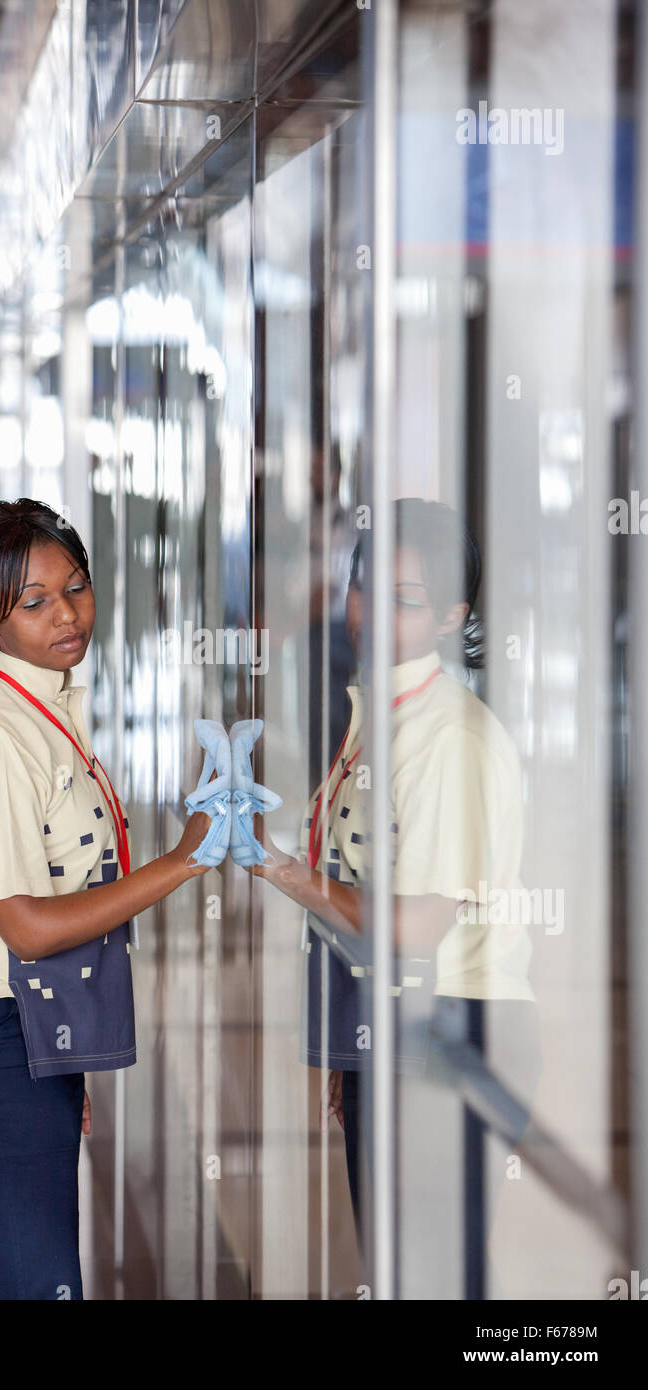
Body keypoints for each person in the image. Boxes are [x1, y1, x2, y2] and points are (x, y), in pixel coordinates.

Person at [0, 498, 210, 1300]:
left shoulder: (48, 712)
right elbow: (30, 929)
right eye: (34, 602)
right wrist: (181, 861)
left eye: (76, 587)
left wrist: (59, 1053)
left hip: (22, 1032)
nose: (67, 614)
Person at [243, 497, 541, 1297]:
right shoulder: (380, 714)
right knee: (402, 1268)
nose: (369, 613)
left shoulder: (449, 739)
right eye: (364, 584)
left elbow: (413, 924)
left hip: (452, 1027)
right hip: (398, 1019)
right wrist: (355, 1037)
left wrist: (289, 875)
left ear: (453, 615)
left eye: (405, 601)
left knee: (431, 1276)